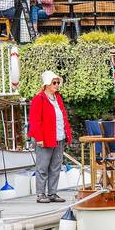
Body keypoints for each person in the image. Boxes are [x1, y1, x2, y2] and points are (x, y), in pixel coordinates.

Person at [28, 70, 72, 203]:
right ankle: (41, 194)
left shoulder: (58, 98)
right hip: (45, 138)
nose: (57, 85)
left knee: (56, 166)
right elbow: (35, 121)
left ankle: (52, 193)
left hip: (59, 137)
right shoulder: (38, 99)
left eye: (58, 82)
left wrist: (67, 135)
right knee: (42, 167)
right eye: (54, 82)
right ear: (47, 84)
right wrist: (39, 138)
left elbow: (63, 117)